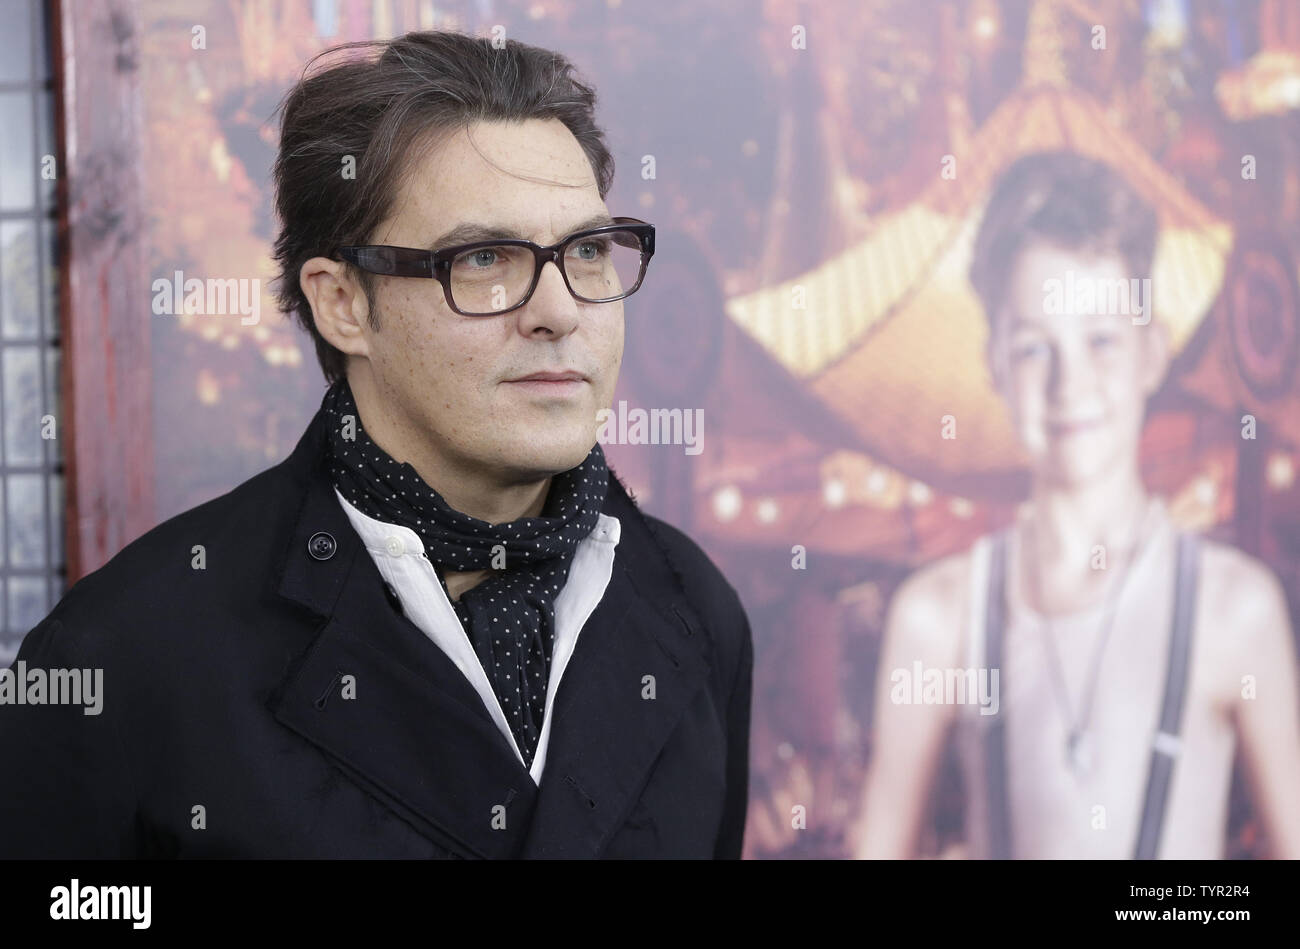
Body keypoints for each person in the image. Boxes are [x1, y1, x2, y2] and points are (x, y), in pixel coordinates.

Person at [0, 30, 752, 859]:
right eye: (486, 258)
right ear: (342, 303)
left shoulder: (694, 607)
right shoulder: (119, 658)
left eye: (583, 252)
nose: (559, 309)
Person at [852, 151, 1300, 859]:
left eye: (1101, 341)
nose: (1070, 384)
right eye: (1035, 349)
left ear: (1153, 352)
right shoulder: (937, 619)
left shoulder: (1235, 609)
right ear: (995, 361)